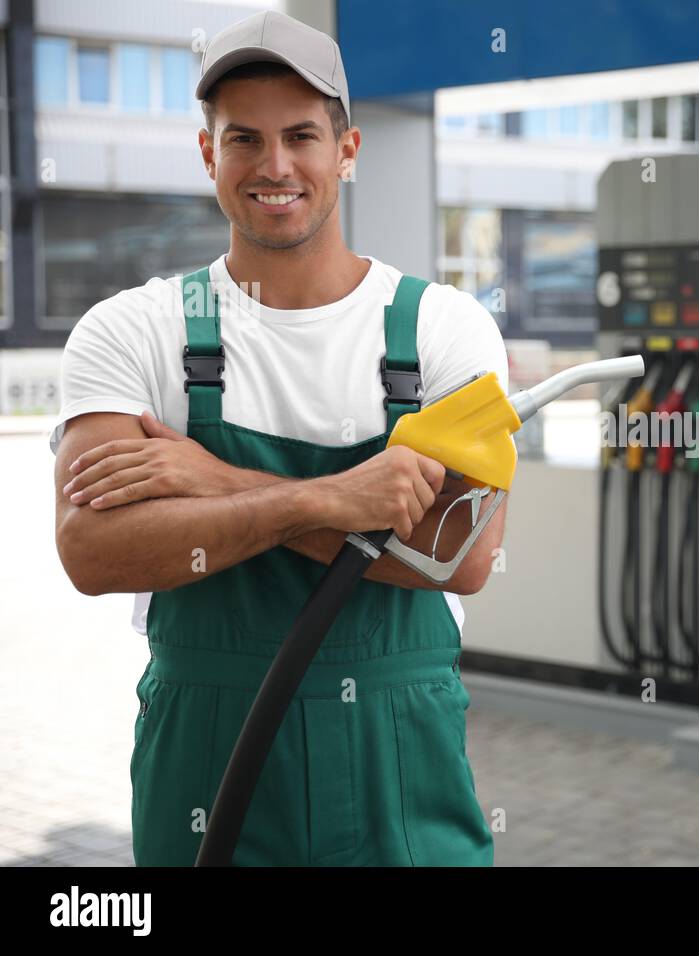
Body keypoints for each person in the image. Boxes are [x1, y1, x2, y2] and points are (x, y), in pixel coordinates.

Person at [50, 11, 505, 866]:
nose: (275, 166)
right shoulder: (130, 332)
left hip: (398, 749)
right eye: (243, 139)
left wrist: (209, 482)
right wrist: (333, 500)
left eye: (301, 135)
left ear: (348, 149)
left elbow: (461, 558)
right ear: (207, 154)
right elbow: (93, 552)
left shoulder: (445, 329)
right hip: (207, 748)